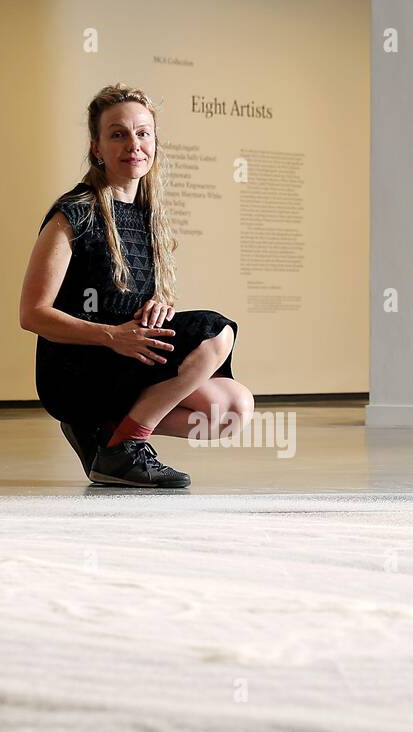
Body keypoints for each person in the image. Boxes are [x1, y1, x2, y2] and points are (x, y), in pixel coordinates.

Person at [19, 83, 254, 488]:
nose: (134, 144)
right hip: (76, 369)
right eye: (118, 134)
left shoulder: (147, 215)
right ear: (97, 147)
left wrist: (158, 304)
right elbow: (32, 314)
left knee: (231, 411)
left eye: (143, 133)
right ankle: (125, 447)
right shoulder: (74, 214)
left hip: (128, 356)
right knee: (216, 333)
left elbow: (127, 295)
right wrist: (112, 335)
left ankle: (107, 431)